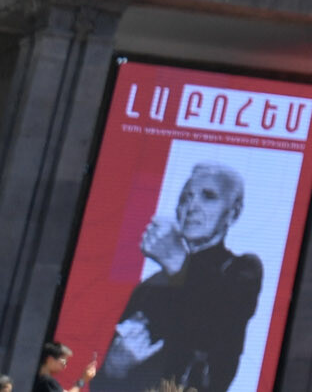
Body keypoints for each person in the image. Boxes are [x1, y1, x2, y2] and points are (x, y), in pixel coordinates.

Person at [95, 162, 262, 392]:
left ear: (232, 213)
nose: (191, 206)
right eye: (185, 197)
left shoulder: (242, 270)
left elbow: (218, 323)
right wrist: (114, 369)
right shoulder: (148, 288)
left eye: (208, 196)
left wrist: (178, 261)